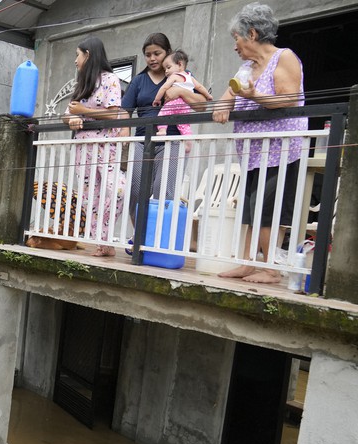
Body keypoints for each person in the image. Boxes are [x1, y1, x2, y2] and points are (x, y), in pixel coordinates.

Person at [212, 3, 306, 284]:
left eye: (236, 38)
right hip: (254, 153)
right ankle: (247, 263)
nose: (235, 46)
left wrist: (254, 97)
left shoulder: (284, 57)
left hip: (280, 149)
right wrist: (224, 105)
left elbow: (289, 99)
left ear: (251, 34)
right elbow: (227, 96)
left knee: (267, 209)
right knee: (251, 208)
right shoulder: (246, 67)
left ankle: (271, 269)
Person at [121, 33, 208, 216]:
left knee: (164, 192)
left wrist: (180, 92)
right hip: (142, 141)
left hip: (173, 140)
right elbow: (124, 110)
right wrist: (124, 131)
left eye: (157, 53)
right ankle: (140, 232)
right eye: (148, 55)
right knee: (136, 192)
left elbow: (202, 105)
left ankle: (158, 233)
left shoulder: (183, 76)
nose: (152, 58)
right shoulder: (139, 80)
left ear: (168, 52)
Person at [63, 35, 127, 257]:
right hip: (83, 148)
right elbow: (67, 113)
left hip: (106, 146)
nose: (75, 61)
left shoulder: (111, 80)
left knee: (119, 189)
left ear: (88, 55)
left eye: (77, 55)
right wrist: (72, 118)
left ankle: (104, 235)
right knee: (90, 198)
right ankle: (102, 243)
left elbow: (113, 114)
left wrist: (84, 112)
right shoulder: (82, 84)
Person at [153, 49, 214, 140]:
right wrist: (208, 95)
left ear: (180, 64)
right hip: (185, 106)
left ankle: (162, 130)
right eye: (165, 69)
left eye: (168, 67)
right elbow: (200, 87)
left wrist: (157, 99)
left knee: (163, 114)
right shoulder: (190, 77)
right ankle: (188, 140)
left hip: (173, 103)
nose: (166, 71)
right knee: (184, 124)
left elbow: (164, 88)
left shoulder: (174, 76)